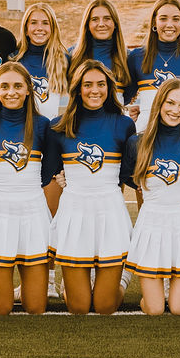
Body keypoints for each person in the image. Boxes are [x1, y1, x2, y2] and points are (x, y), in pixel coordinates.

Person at [0, 62, 58, 316]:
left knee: (36, 308)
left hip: (32, 212)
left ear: (29, 89)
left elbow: (47, 171)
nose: (11, 92)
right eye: (4, 86)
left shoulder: (42, 125)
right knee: (1, 308)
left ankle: (15, 288)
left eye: (18, 86)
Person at [45, 60, 137, 315]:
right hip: (75, 212)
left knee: (105, 307)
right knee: (79, 307)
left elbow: (128, 173)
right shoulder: (59, 125)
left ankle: (122, 277)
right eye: (87, 85)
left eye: (101, 84)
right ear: (77, 89)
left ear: (109, 88)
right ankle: (73, 282)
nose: (94, 90)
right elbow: (50, 170)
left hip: (109, 211)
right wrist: (62, 177)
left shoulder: (123, 124)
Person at [125, 78, 180, 316]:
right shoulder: (138, 143)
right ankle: (152, 286)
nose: (176, 110)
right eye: (170, 103)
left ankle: (171, 286)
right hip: (151, 224)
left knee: (179, 309)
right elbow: (124, 175)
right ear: (160, 104)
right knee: (154, 310)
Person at [125, 0, 180, 130]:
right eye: (163, 19)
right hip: (145, 133)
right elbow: (124, 99)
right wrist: (135, 111)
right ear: (154, 23)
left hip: (179, 135)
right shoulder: (137, 57)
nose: (169, 24)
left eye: (175, 19)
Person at [16, 2, 72, 120]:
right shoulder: (14, 60)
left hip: (51, 130)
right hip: (22, 129)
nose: (39, 28)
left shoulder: (64, 60)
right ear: (26, 29)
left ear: (53, 28)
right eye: (34, 23)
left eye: (45, 23)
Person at [70, 0, 133, 96]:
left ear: (115, 23)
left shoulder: (128, 57)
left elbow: (129, 96)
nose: (101, 24)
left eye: (107, 18)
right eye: (95, 19)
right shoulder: (72, 55)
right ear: (87, 25)